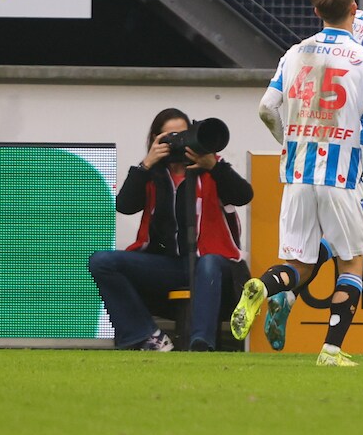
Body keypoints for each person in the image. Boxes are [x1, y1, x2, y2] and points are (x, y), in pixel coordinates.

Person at [231, 0, 363, 367]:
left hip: (297, 174)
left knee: (299, 264)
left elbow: (266, 108)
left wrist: (287, 141)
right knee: (351, 264)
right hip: (341, 175)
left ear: (316, 12)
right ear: (354, 10)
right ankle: (331, 350)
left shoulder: (295, 52)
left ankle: (262, 287)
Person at [88, 108, 253, 352]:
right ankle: (147, 336)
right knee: (102, 261)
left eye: (183, 135)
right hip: (168, 265)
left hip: (216, 268)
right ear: (156, 140)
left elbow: (243, 195)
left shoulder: (212, 169)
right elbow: (124, 205)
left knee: (208, 263)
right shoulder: (153, 174)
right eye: (170, 137)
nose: (177, 143)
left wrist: (214, 166)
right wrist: (146, 164)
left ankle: (201, 344)